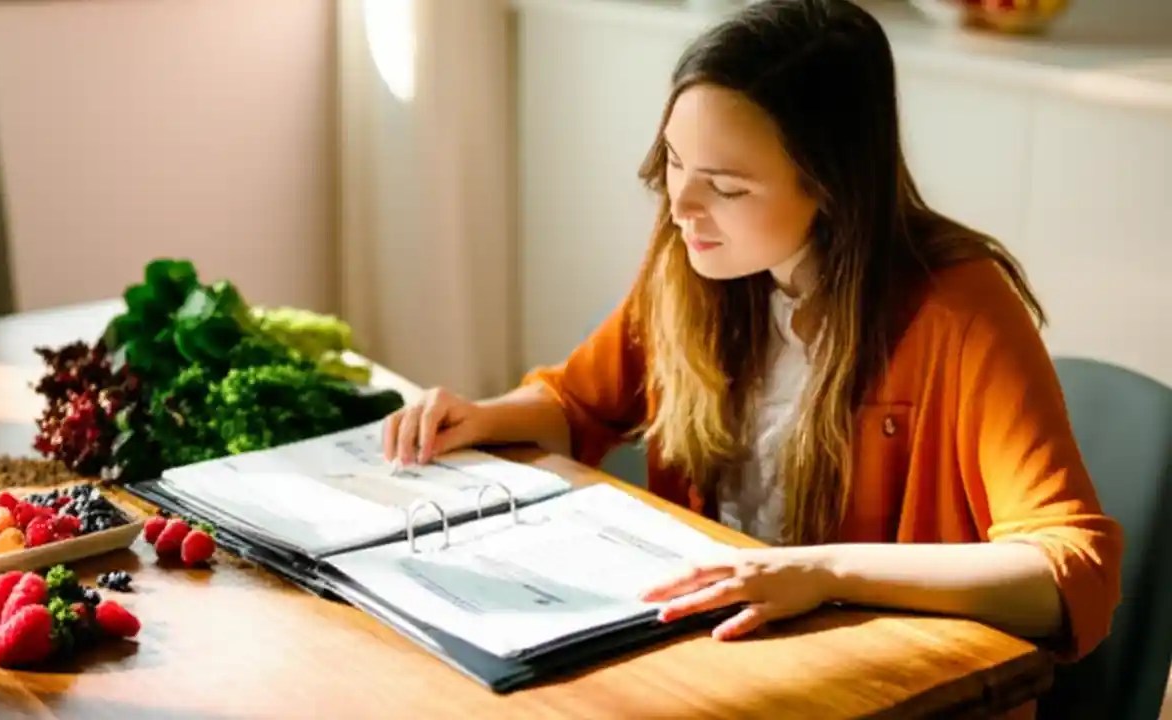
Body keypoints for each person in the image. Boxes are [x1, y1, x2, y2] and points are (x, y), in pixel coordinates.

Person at [382, 0, 1121, 669]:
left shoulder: (960, 309)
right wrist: (486, 417)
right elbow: (582, 404)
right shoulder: (697, 257)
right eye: (674, 162)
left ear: (830, 187)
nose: (682, 206)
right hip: (713, 654)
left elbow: (1068, 568)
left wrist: (826, 571)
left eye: (729, 187)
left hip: (875, 679)